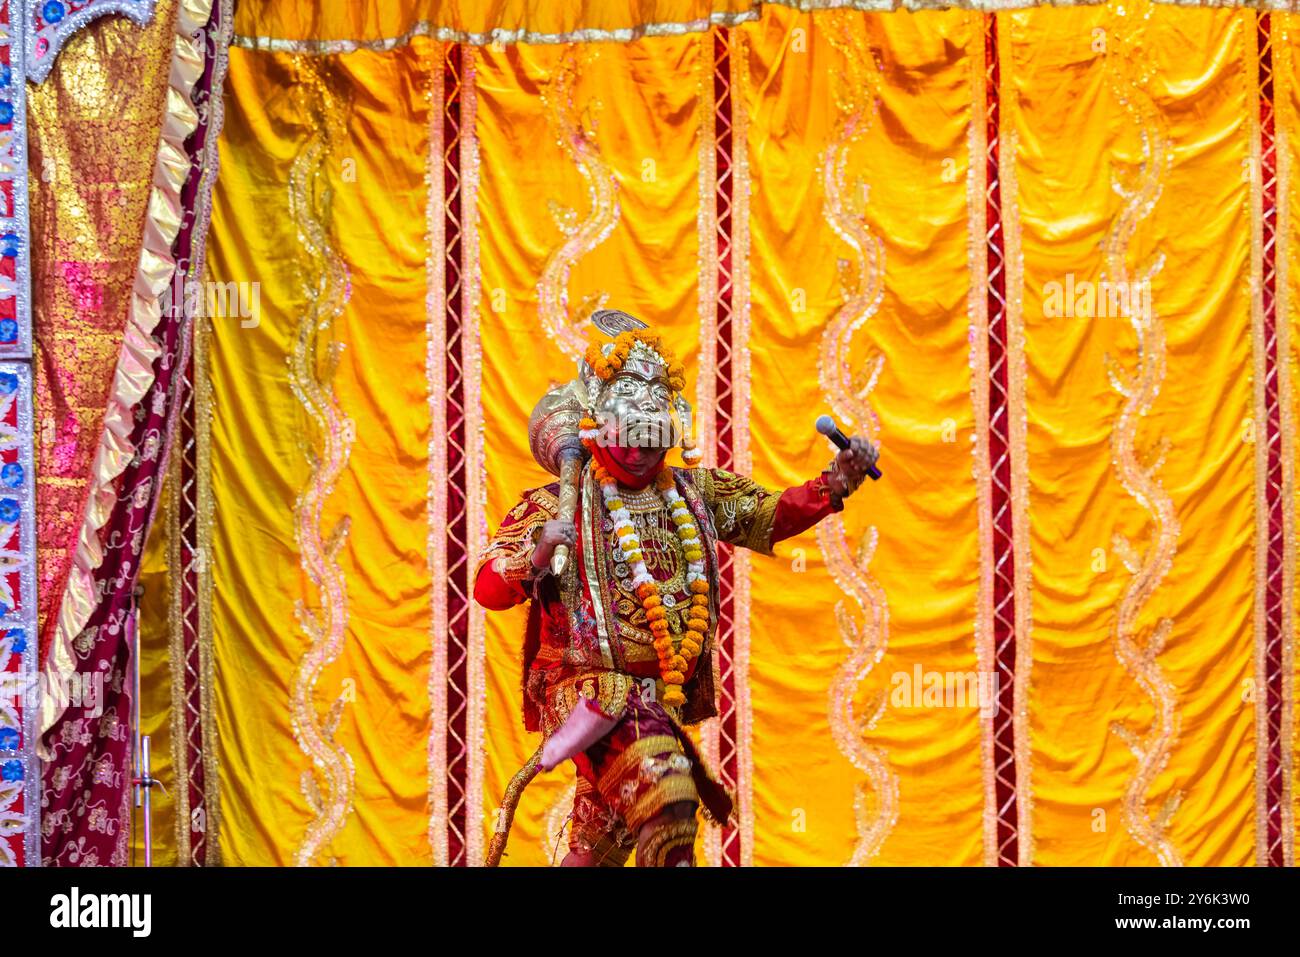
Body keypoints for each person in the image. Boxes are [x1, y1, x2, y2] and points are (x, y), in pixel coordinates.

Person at [475, 310, 878, 866]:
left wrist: (837, 482)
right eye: (628, 437)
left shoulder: (693, 493)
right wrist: (541, 551)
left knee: (596, 851)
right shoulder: (555, 505)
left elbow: (769, 515)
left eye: (653, 438)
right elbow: (489, 591)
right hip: (590, 695)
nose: (640, 452)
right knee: (669, 799)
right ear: (596, 430)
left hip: (655, 698)